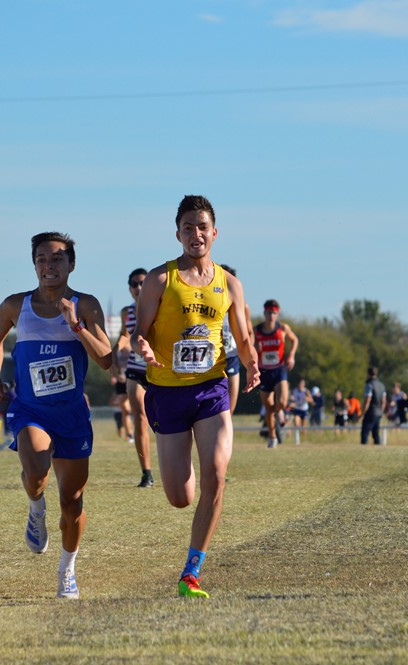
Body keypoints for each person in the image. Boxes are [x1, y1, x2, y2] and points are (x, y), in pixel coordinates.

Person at [131, 195, 259, 599]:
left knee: (216, 475)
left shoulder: (229, 283)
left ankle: (192, 571)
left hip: (211, 389)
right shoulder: (159, 280)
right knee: (180, 497)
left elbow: (243, 334)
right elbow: (139, 331)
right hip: (168, 392)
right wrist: (144, 348)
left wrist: (253, 363)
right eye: (188, 227)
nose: (196, 234)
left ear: (214, 233)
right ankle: (178, 491)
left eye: (202, 227)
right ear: (178, 234)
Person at [0, 232, 113, 599]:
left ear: (71, 264)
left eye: (57, 259)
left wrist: (76, 326)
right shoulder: (15, 305)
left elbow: (106, 359)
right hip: (30, 410)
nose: (49, 265)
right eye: (42, 259)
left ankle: (67, 572)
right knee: (38, 476)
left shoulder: (85, 304)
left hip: (71, 413)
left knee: (72, 502)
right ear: (34, 265)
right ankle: (35, 509)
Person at [115, 268, 154, 488]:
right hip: (135, 369)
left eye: (142, 283)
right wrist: (116, 349)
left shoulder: (159, 306)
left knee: (168, 420)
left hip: (159, 370)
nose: (138, 288)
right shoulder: (126, 312)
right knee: (140, 418)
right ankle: (146, 472)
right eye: (133, 284)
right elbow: (124, 334)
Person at [255, 299, 298, 448]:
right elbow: (247, 347)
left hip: (279, 369)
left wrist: (291, 355)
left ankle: (280, 411)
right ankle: (272, 437)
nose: (271, 316)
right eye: (268, 313)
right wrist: (256, 348)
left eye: (274, 313)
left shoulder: (283, 328)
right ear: (264, 313)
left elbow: (295, 340)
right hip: (264, 371)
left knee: (282, 402)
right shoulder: (257, 330)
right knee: (268, 408)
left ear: (277, 314)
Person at [219, 265, 254, 414]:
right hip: (213, 360)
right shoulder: (209, 303)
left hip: (232, 358)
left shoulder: (243, 307)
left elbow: (249, 333)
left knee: (229, 409)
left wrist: (249, 358)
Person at [360, 367, 386, 445]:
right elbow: (383, 401)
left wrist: (362, 413)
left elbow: (367, 401)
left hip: (371, 412)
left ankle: (363, 450)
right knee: (376, 434)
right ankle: (378, 449)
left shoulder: (369, 385)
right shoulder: (382, 385)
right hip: (379, 413)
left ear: (368, 374)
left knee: (365, 433)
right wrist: (381, 412)